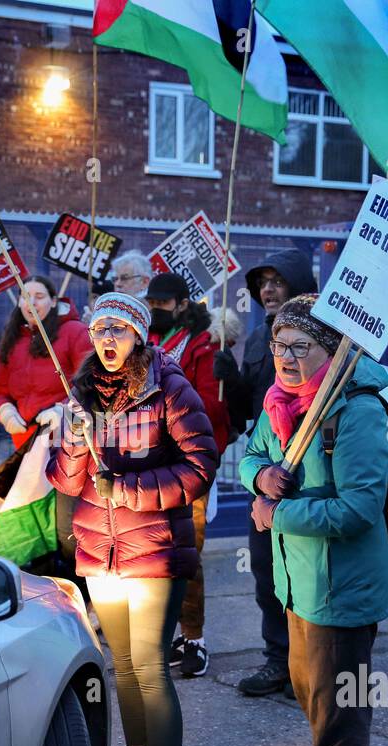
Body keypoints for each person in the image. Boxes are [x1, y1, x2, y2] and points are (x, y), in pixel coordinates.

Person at [47, 292, 218, 746]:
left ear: (141, 334)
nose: (108, 339)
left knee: (149, 665)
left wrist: (129, 490)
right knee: (121, 665)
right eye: (100, 330)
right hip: (101, 552)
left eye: (120, 329)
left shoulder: (168, 386)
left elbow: (199, 466)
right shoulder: (82, 395)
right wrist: (73, 444)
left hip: (154, 550)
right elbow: (67, 482)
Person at [240, 294, 388, 746]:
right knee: (311, 690)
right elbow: (252, 455)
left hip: (341, 587)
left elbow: (358, 509)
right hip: (298, 582)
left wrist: (280, 511)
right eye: (278, 344)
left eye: (299, 346)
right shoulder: (281, 401)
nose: (284, 356)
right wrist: (261, 480)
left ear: (330, 350)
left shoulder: (358, 412)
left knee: (337, 701)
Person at [214, 248, 318, 698]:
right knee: (266, 569)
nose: (268, 289)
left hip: (314, 472)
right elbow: (244, 414)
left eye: (277, 280)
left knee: (310, 575)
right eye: (262, 282)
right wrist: (229, 381)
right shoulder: (258, 340)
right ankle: (278, 661)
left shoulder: (328, 333)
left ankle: (312, 667)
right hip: (267, 473)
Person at [144, 272, 230, 677]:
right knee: (156, 554)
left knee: (186, 552)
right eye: (152, 303)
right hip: (153, 462)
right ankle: (165, 633)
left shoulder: (203, 344)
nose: (155, 310)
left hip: (188, 463)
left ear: (182, 303)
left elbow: (211, 411)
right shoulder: (155, 341)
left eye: (162, 304)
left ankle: (194, 637)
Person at [0, 275, 92, 571]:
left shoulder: (75, 332)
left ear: (53, 300)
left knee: (66, 528)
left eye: (38, 296)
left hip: (65, 446)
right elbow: (0, 389)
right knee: (33, 528)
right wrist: (5, 411)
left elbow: (90, 382)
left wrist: (64, 410)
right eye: (25, 296)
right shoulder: (14, 338)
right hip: (26, 449)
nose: (31, 302)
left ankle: (87, 590)